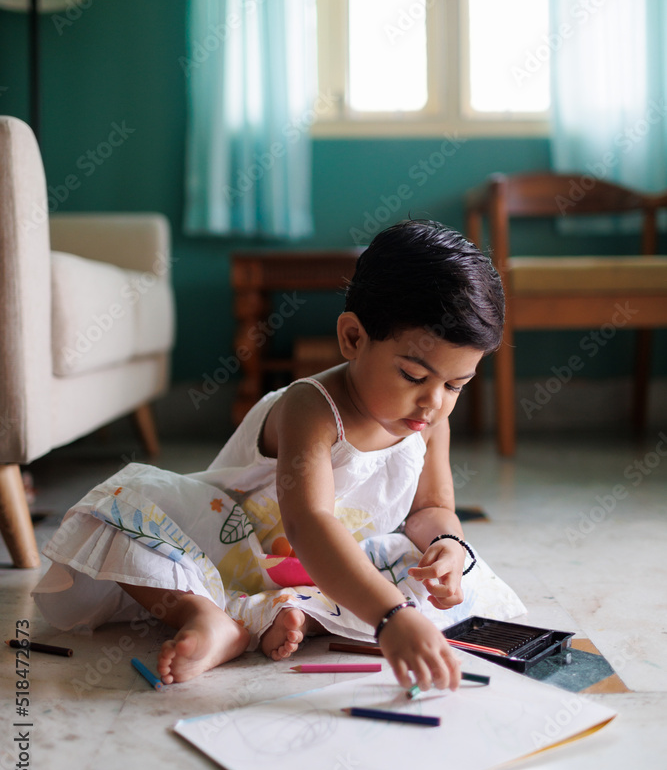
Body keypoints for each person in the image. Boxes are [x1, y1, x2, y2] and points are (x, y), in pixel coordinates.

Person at [33, 219, 525, 691]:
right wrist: (390, 615)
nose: (433, 401)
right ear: (353, 338)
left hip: (340, 563)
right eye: (415, 377)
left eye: (456, 384)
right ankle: (203, 614)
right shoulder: (311, 405)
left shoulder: (429, 418)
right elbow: (309, 522)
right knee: (118, 503)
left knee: (423, 571)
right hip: (226, 546)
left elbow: (430, 508)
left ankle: (291, 611)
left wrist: (447, 544)